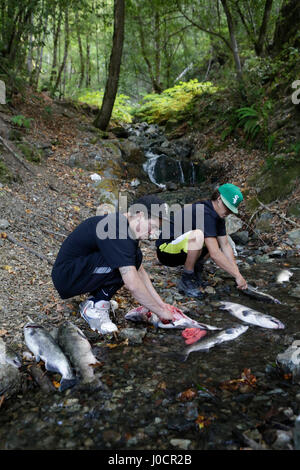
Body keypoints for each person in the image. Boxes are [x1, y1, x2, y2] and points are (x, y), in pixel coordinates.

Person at [51, 195, 174, 335]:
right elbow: (132, 284)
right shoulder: (116, 230)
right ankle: (94, 307)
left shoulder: (124, 227)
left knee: (135, 257)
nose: (152, 233)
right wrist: (161, 312)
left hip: (79, 270)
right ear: (140, 215)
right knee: (125, 264)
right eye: (152, 227)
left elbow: (140, 271)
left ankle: (97, 298)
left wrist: (160, 304)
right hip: (67, 276)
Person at [156, 183, 248, 298]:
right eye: (228, 208)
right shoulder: (205, 212)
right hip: (165, 251)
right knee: (198, 235)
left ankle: (196, 272)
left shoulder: (218, 216)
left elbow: (225, 245)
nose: (228, 212)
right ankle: (187, 278)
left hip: (181, 248)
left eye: (231, 210)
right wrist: (237, 276)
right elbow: (215, 254)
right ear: (219, 199)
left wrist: (237, 273)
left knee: (216, 240)